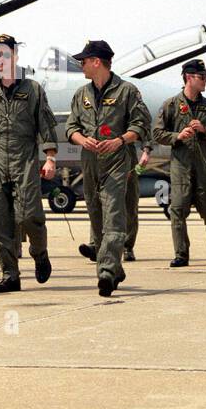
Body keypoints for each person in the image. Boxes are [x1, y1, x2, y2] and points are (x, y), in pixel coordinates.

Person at [0, 34, 58, 294]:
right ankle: (11, 275)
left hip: (25, 159)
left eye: (6, 55)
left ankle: (39, 253)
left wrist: (50, 157)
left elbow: (45, 126)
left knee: (29, 215)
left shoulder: (32, 90)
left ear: (15, 56)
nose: (1, 61)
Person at [65, 39, 151, 296]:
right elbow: (71, 127)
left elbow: (141, 124)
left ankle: (106, 272)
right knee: (96, 216)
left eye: (84, 61)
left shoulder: (127, 91)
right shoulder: (82, 94)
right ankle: (115, 268)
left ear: (97, 62)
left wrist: (120, 140)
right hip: (90, 162)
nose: (81, 66)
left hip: (118, 160)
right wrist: (82, 140)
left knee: (114, 214)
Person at [151, 58, 206, 267]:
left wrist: (205, 130)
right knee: (178, 209)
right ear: (189, 77)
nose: (205, 81)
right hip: (181, 167)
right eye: (202, 77)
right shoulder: (171, 105)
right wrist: (177, 136)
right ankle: (181, 254)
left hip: (203, 167)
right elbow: (157, 133)